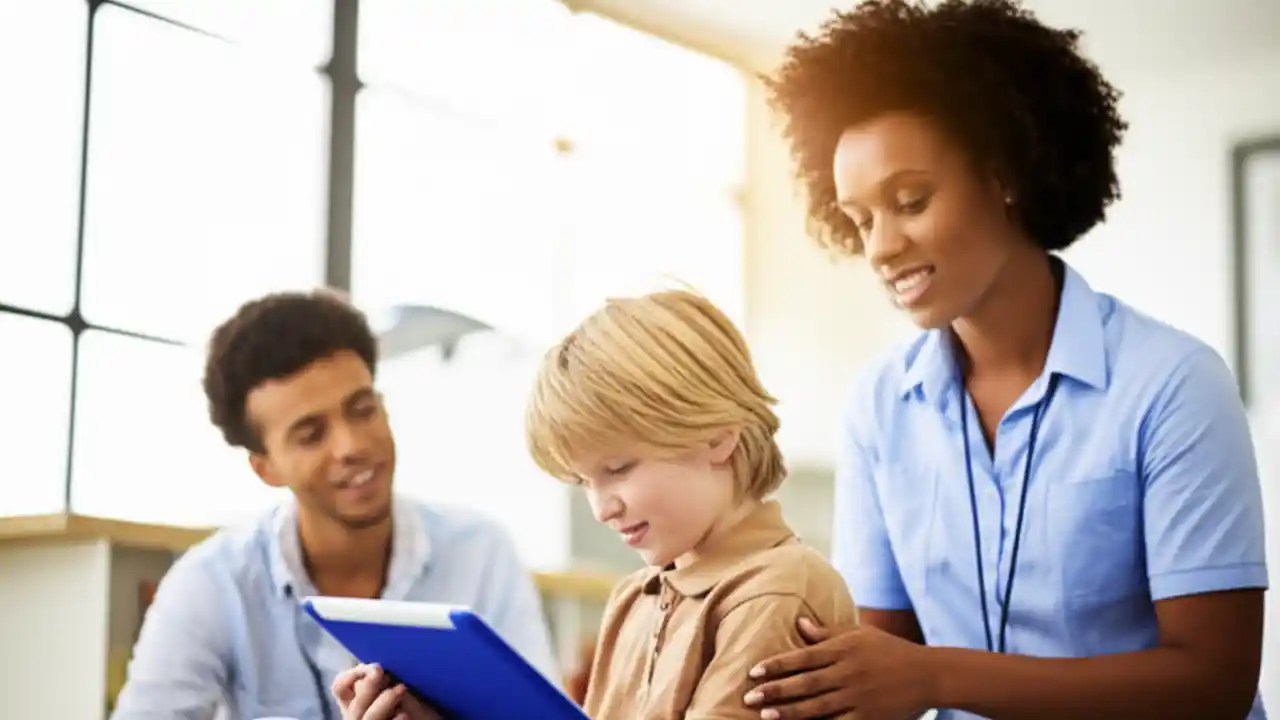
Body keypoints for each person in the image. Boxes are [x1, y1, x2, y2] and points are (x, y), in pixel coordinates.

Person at [741, 2, 1268, 719]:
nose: (881, 246)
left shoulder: (1172, 385)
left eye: (911, 201)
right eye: (861, 219)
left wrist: (937, 679)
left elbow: (1212, 684)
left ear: (1004, 174)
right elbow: (882, 655)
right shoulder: (879, 406)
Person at [335, 289, 857, 719]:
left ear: (718, 437)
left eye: (619, 470)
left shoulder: (777, 592)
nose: (602, 508)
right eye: (584, 481)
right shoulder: (637, 597)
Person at [111, 289, 556, 720]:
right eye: (311, 434)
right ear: (266, 468)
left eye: (363, 409)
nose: (352, 446)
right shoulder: (212, 582)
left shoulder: (481, 555)